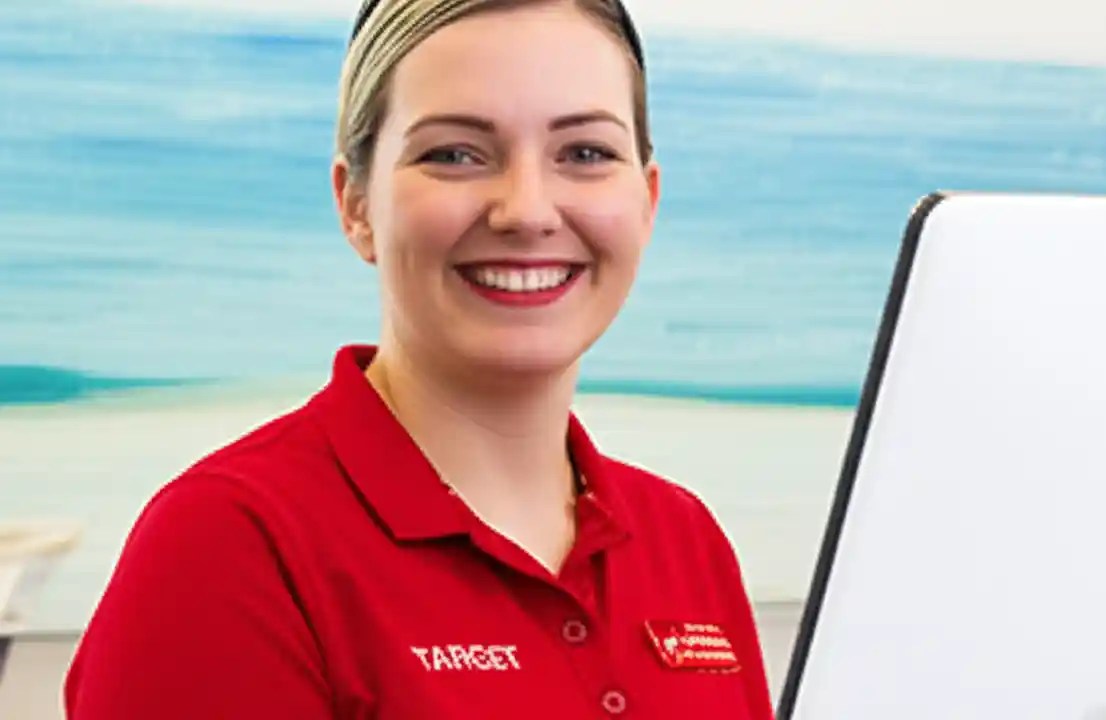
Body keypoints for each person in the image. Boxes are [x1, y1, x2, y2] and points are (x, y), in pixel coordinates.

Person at [63, 0, 776, 717]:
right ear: (357, 205)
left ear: (647, 202)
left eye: (585, 153)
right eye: (455, 154)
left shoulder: (684, 540)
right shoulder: (230, 545)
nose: (527, 210)